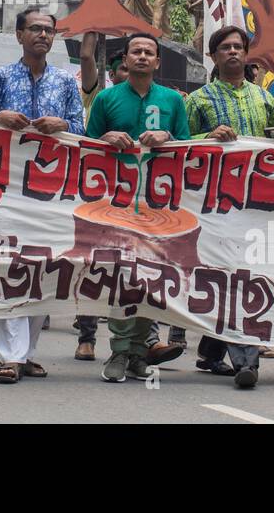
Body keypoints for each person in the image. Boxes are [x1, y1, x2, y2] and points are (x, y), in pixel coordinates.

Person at [0, 8, 84, 384]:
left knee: (44, 269)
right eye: (34, 29)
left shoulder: (67, 81)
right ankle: (9, 356)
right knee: (11, 268)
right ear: (19, 35)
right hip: (6, 188)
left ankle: (27, 353)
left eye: (48, 30)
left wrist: (64, 124)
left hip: (52, 192)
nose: (42, 35)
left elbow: (81, 130)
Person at [86, 31, 190, 383]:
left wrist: (169, 138)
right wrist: (105, 138)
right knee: (122, 277)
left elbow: (189, 149)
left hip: (161, 207)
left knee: (152, 278)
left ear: (157, 62)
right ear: (125, 60)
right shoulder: (106, 99)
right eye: (136, 52)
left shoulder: (173, 101)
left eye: (149, 52)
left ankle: (138, 353)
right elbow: (84, 148)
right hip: (116, 204)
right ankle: (118, 349)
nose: (143, 57)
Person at [185, 25, 274, 389]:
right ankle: (246, 360)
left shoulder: (264, 100)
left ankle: (211, 352)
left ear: (247, 54)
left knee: (247, 274)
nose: (232, 52)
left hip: (258, 203)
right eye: (224, 47)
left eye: (238, 47)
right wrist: (206, 137)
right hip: (215, 205)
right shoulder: (197, 101)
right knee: (234, 277)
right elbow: (179, 146)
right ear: (213, 56)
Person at [73, 35, 130, 360]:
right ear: (112, 72)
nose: (126, 73)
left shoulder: (156, 99)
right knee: (94, 265)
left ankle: (138, 343)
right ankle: (87, 337)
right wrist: (94, 20)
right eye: (120, 68)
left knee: (136, 267)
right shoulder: (101, 96)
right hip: (100, 193)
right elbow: (85, 57)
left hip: (140, 197)